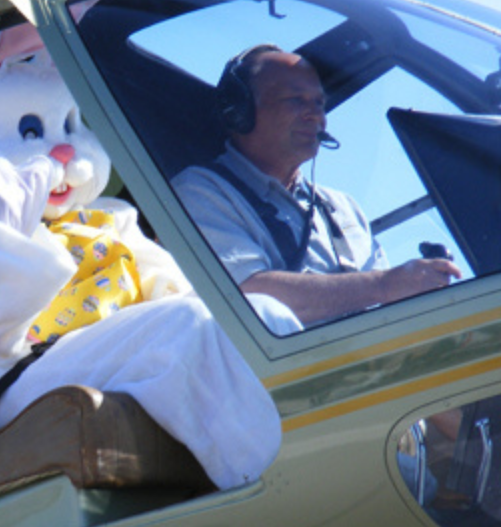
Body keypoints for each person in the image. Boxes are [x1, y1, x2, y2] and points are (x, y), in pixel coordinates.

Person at [173, 44, 461, 331]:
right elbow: (246, 300)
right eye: (296, 101)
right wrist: (384, 285)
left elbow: (389, 308)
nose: (316, 116)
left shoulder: (343, 206)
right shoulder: (199, 193)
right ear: (239, 111)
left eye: (319, 103)